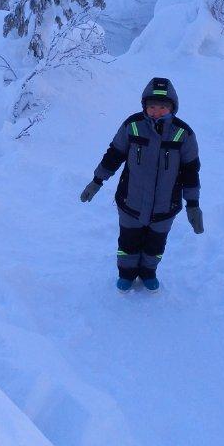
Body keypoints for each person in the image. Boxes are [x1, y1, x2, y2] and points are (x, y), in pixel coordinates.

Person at [80, 75, 203, 291]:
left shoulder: (183, 133)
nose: (157, 111)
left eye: (163, 107)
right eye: (152, 106)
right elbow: (114, 155)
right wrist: (96, 181)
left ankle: (148, 273)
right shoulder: (133, 126)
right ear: (144, 106)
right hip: (131, 202)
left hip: (165, 206)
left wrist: (193, 205)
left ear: (172, 108)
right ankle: (126, 274)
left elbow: (191, 171)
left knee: (155, 245)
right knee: (128, 243)